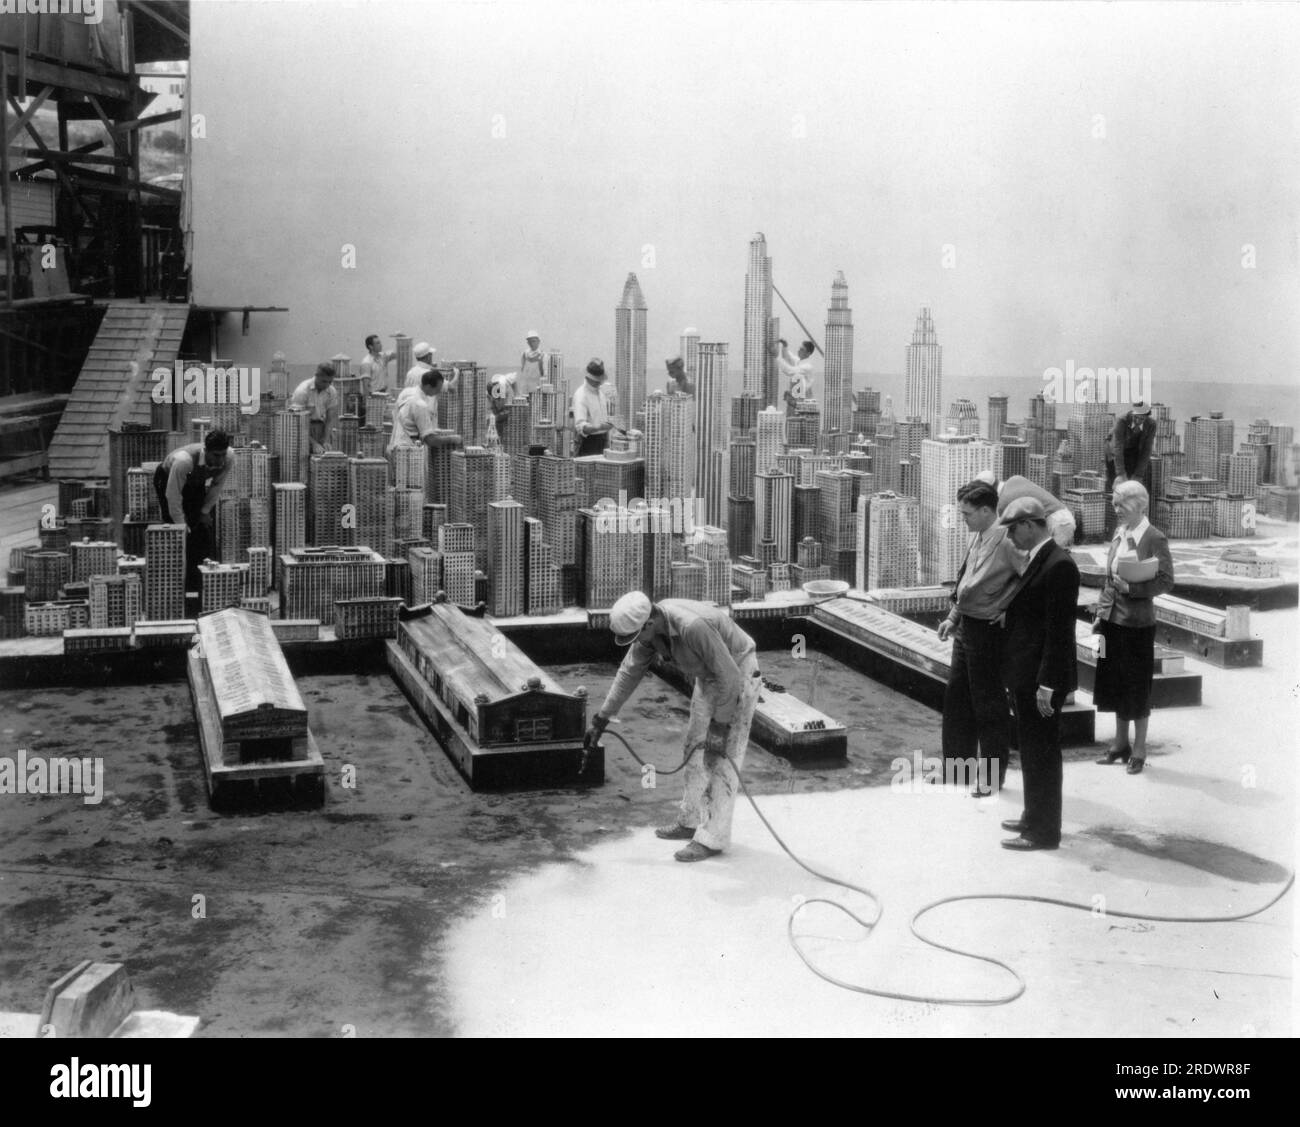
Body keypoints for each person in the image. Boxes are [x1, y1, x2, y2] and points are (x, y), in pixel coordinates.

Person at [585, 593, 762, 862]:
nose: (637, 645)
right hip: (709, 677)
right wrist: (602, 718)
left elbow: (730, 677)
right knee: (693, 748)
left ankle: (712, 838)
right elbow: (628, 672)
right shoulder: (652, 630)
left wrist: (719, 730)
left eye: (636, 637)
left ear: (648, 623)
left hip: (737, 675)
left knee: (721, 759)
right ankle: (690, 820)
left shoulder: (692, 627)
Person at [997, 496, 1080, 851]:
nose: (1011, 536)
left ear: (1030, 525)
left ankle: (1044, 832)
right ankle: (1033, 816)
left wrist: (1047, 684)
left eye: (1014, 529)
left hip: (1042, 680)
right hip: (1027, 675)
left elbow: (1058, 633)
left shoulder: (1059, 565)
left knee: (1043, 752)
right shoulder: (1040, 559)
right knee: (1032, 750)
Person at [938, 480, 1025, 797]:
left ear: (988, 511)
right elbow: (967, 582)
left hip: (988, 633)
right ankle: (957, 771)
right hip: (966, 629)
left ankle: (991, 777)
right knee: (957, 700)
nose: (964, 519)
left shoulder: (1008, 542)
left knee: (988, 704)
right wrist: (952, 618)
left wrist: (1009, 611)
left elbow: (1031, 581)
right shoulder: (979, 535)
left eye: (968, 514)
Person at [1091, 481, 1175, 774]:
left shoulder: (1154, 538)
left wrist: (1134, 588)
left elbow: (1166, 580)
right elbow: (1108, 579)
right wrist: (1101, 614)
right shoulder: (1120, 534)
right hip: (1112, 622)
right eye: (1114, 505)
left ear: (1141, 505)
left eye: (1121, 505)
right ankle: (1119, 744)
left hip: (1137, 625)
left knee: (1136, 688)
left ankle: (1139, 749)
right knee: (1114, 684)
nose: (1116, 510)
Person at [153, 429, 234, 594]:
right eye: (216, 455)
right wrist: (182, 528)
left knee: (200, 528)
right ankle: (176, 585)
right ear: (206, 451)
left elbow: (217, 486)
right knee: (177, 532)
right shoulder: (184, 461)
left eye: (223, 454)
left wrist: (204, 512)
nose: (220, 460)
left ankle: (196, 582)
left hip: (195, 482)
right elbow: (173, 498)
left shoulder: (229, 457)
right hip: (167, 479)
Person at [981, 469, 1077, 549]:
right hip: (1062, 517)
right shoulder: (1015, 479)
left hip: (1059, 524)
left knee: (1054, 563)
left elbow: (1001, 533)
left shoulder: (1003, 502)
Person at [388, 368, 448, 452]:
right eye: (438, 389)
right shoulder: (420, 405)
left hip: (395, 443)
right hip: (407, 451)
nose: (439, 392)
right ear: (429, 386)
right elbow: (430, 440)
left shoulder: (406, 392)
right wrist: (451, 439)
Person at [289, 362, 340, 454]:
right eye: (324, 381)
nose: (327, 385)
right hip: (303, 430)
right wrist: (314, 443)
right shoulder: (302, 391)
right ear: (316, 376)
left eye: (330, 382)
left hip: (322, 428)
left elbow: (330, 419)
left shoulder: (332, 391)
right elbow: (296, 424)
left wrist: (326, 440)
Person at [572, 358, 616, 456]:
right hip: (587, 443)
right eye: (597, 381)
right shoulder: (581, 395)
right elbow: (581, 427)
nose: (599, 383)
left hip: (603, 440)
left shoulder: (601, 392)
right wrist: (599, 427)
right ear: (588, 378)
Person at [1112, 401, 1156, 493]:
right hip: (1116, 452)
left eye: (1141, 419)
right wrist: (1120, 474)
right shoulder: (1122, 421)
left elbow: (1146, 450)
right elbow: (1118, 448)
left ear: (1146, 418)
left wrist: (1138, 475)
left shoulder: (1151, 424)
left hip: (1135, 453)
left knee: (1135, 484)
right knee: (1119, 483)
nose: (1138, 421)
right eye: (1135, 417)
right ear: (1132, 413)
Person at [772, 338, 815, 405]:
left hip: (805, 402)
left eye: (802, 349)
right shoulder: (800, 361)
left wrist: (777, 357)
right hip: (798, 399)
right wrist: (785, 346)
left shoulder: (807, 366)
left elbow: (789, 371)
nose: (799, 351)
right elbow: (788, 357)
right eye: (799, 348)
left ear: (808, 353)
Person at [357, 334, 396, 399]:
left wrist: (399, 339)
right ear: (371, 347)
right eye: (378, 343)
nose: (381, 345)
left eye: (380, 342)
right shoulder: (366, 362)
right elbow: (365, 385)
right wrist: (367, 401)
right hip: (373, 396)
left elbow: (398, 354)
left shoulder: (383, 357)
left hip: (383, 393)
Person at [518, 332, 545, 397]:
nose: (531, 343)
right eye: (529, 341)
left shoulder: (542, 355)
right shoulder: (524, 354)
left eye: (533, 341)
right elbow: (522, 370)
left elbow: (544, 374)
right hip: (525, 387)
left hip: (537, 387)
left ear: (538, 341)